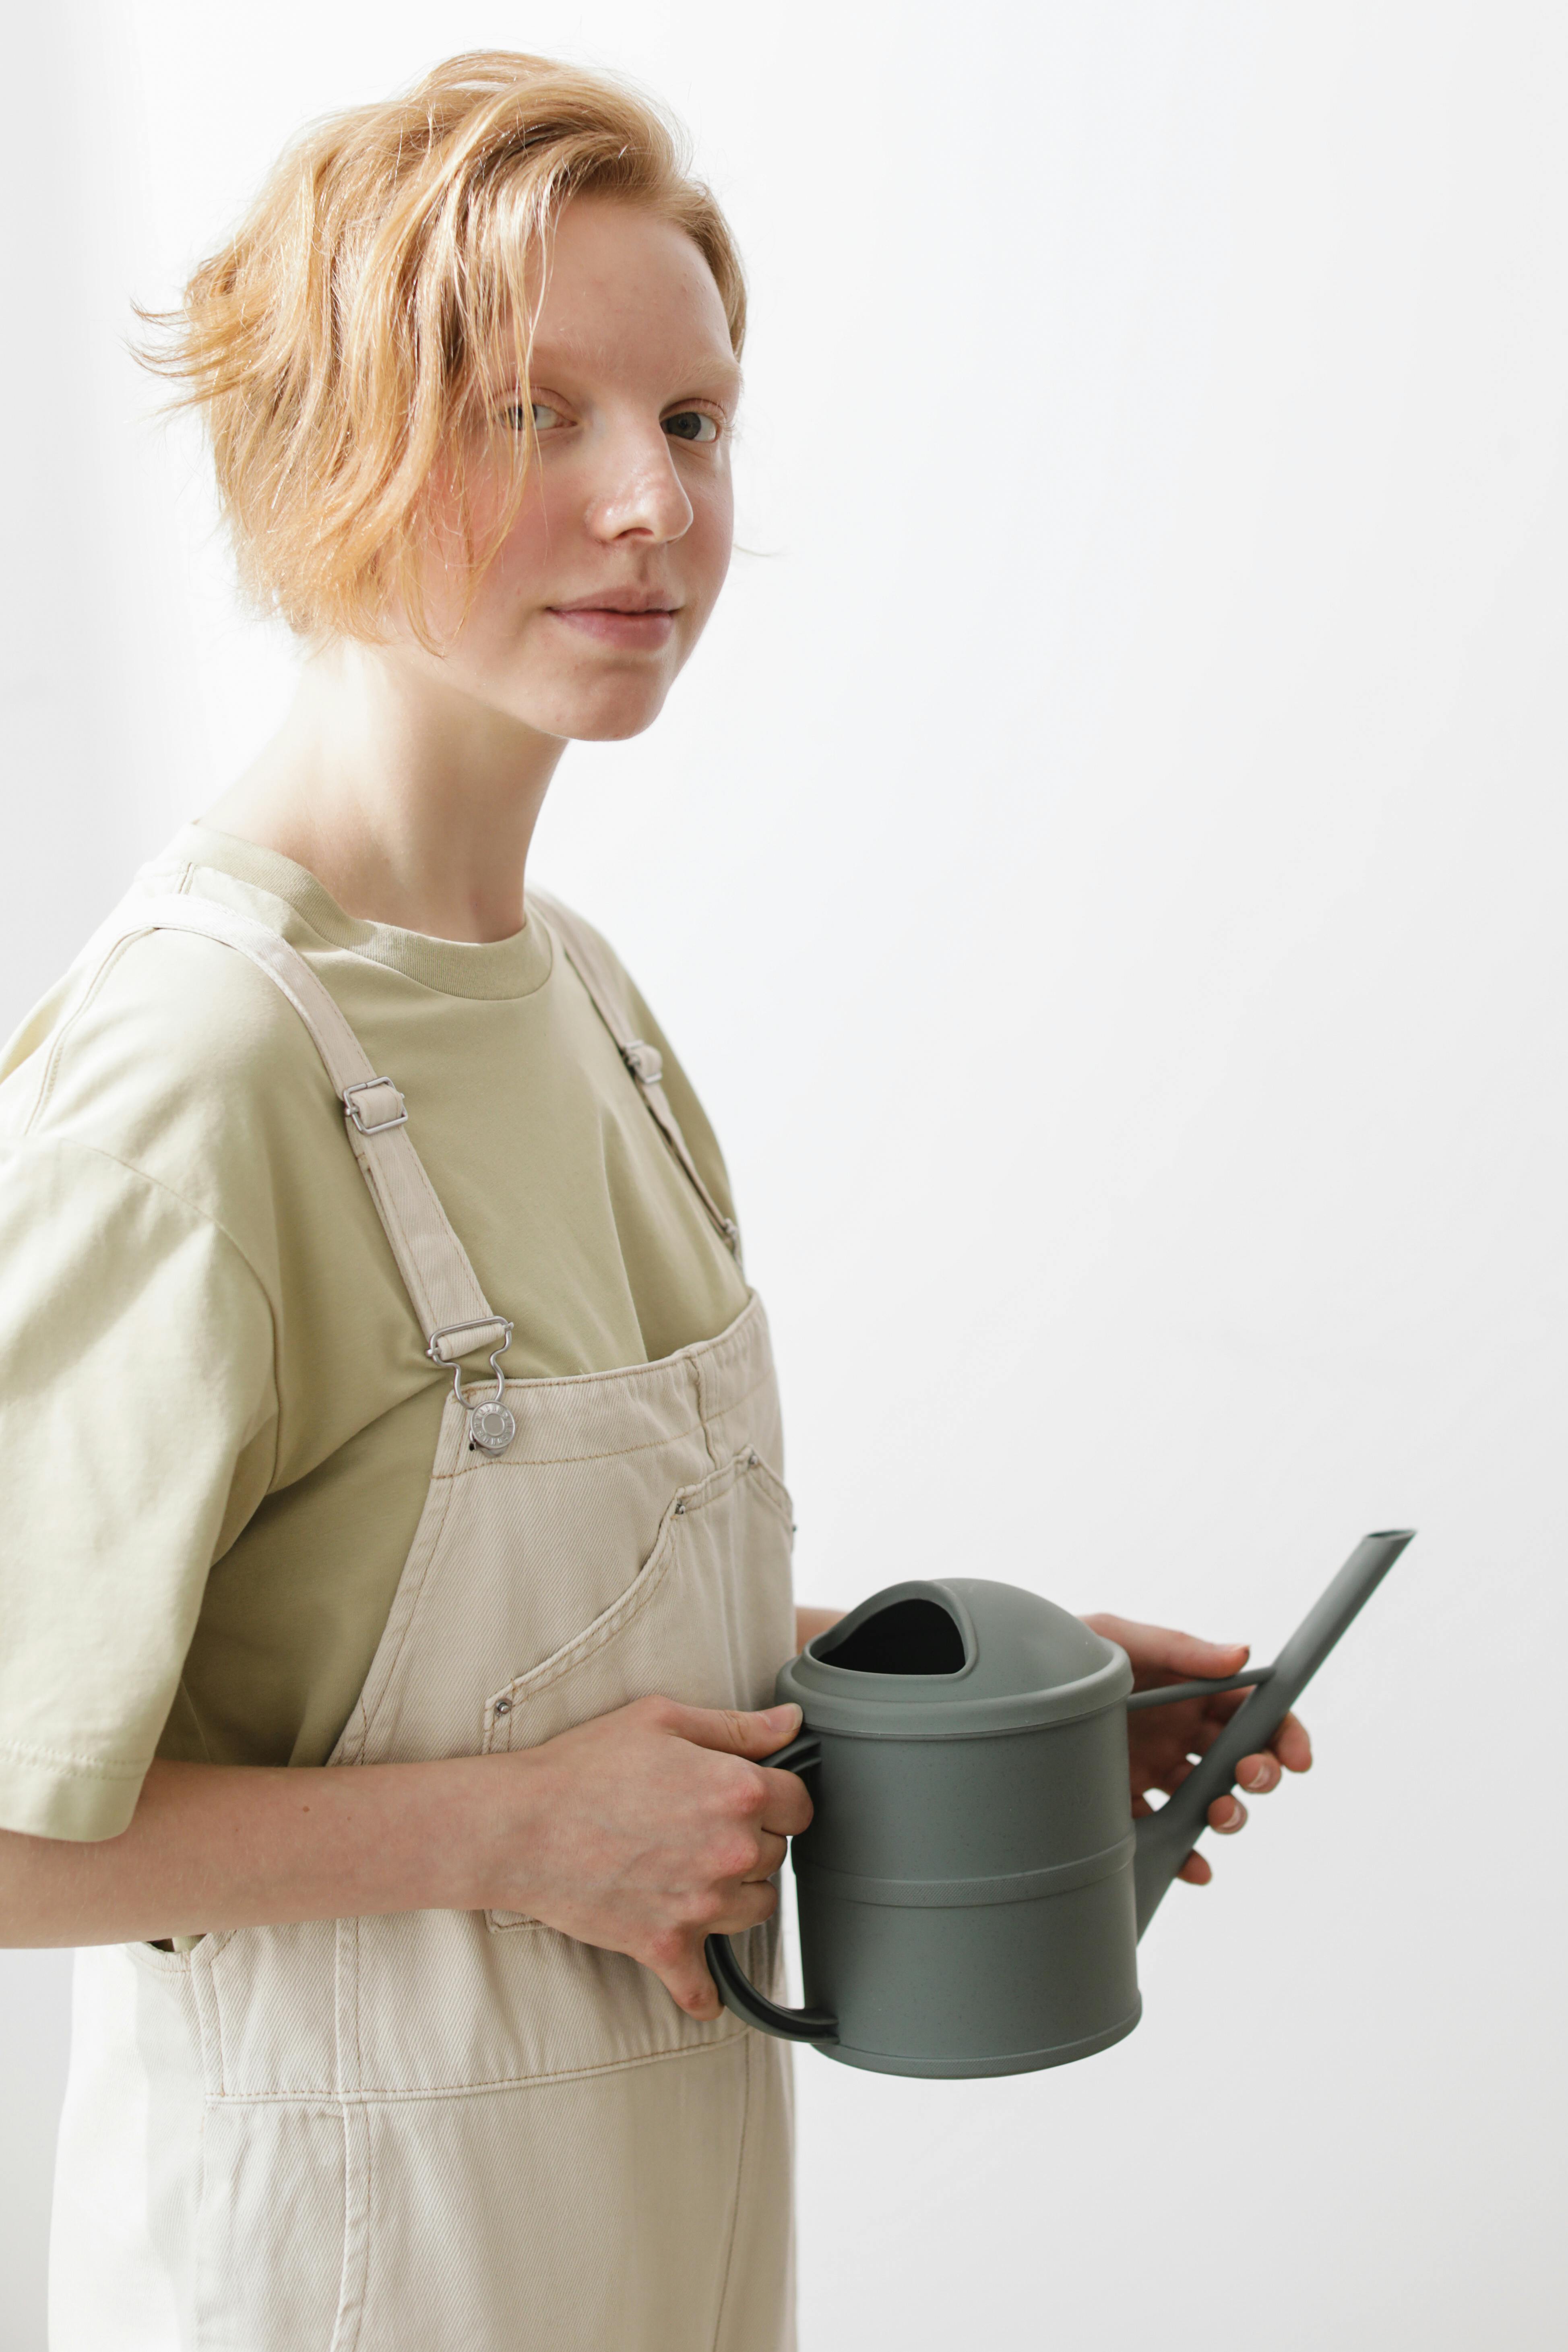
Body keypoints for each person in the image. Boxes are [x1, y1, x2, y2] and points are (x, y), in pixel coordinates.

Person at [0, 50, 1312, 2352]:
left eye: (693, 423)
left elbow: (489, 1674)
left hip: (656, 2265)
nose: (651, 507)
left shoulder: (581, 1004)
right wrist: (506, 1834)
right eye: (539, 414)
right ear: (327, 443)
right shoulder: (192, 1069)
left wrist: (939, 1733)